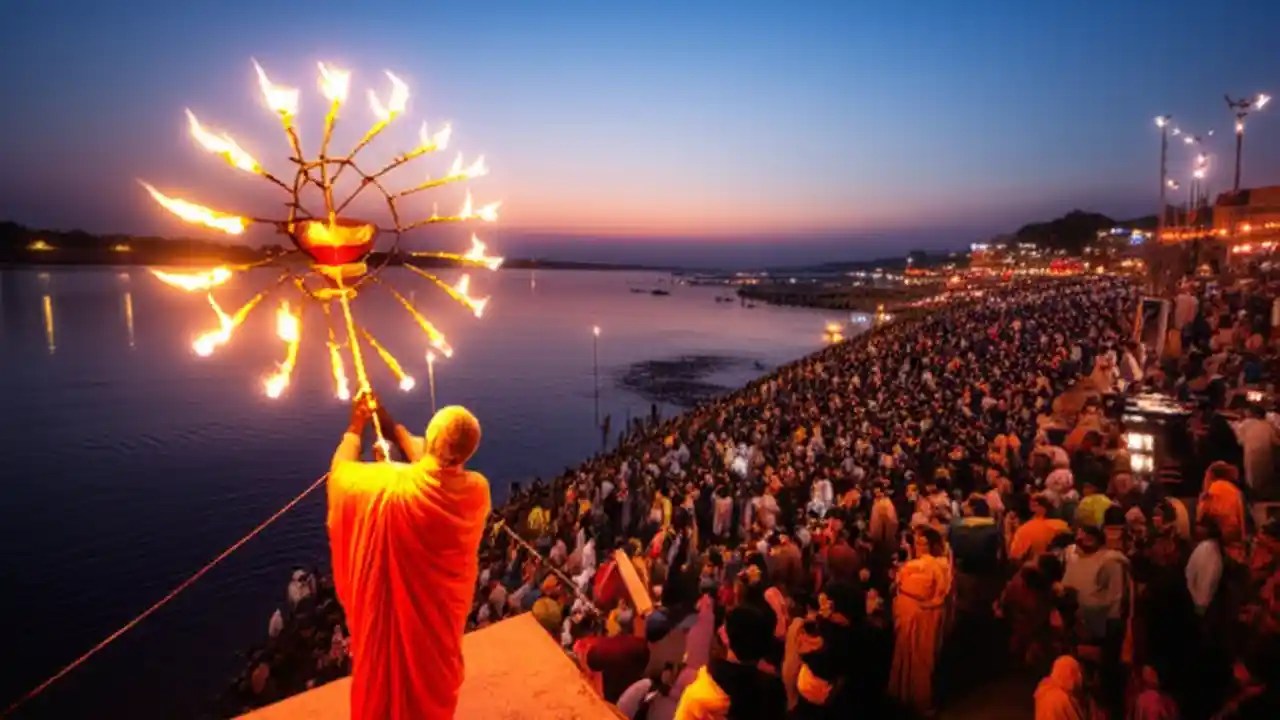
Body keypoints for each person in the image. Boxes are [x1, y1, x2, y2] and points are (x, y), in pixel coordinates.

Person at [327, 394, 491, 720]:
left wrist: (355, 426)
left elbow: (341, 474)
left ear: (428, 442)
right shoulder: (475, 491)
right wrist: (390, 426)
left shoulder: (388, 486)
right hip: (435, 643)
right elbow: (431, 461)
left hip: (384, 631)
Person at [674, 604, 787, 720]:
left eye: (724, 626)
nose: (720, 629)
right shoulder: (775, 690)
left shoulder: (698, 697)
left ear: (727, 638)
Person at [888, 526, 951, 716]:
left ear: (932, 544)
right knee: (906, 656)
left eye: (923, 543)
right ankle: (904, 697)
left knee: (920, 660)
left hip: (922, 617)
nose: (919, 546)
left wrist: (901, 579)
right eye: (917, 542)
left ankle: (920, 701)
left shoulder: (936, 565)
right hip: (910, 615)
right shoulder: (918, 563)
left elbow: (926, 590)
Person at [1233, 405, 1280, 498]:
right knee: (1264, 480)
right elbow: (1276, 441)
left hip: (1251, 455)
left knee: (1252, 481)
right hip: (1266, 456)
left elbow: (1240, 441)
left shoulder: (1245, 424)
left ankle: (1254, 498)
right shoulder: (1268, 425)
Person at [1010, 494, 1071, 564]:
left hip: (1033, 570)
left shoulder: (1022, 531)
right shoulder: (1061, 525)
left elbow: (1014, 557)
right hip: (1058, 568)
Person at [1033, 655, 1087, 720]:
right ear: (1069, 673)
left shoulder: (1044, 691)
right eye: (1076, 672)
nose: (1079, 677)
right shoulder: (1062, 698)